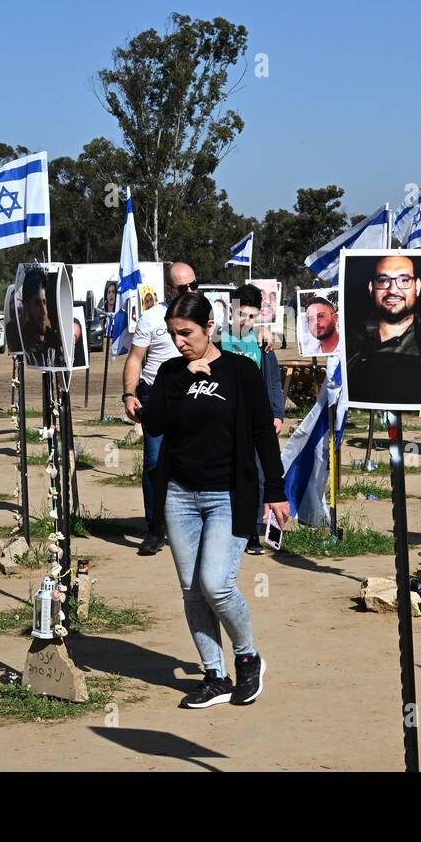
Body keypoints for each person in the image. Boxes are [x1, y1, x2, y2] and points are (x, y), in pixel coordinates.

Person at [138, 292, 288, 709]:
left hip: (229, 495)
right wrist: (186, 378)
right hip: (180, 496)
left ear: (209, 328)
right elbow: (154, 422)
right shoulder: (171, 373)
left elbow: (262, 434)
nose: (179, 341)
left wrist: (275, 491)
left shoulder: (241, 371)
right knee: (191, 591)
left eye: (186, 333)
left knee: (216, 585)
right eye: (172, 334)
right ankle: (214, 675)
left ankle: (247, 657)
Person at [123, 262, 199, 556]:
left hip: (194, 393)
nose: (191, 291)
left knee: (196, 459)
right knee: (155, 462)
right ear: (169, 289)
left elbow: (228, 341)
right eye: (184, 288)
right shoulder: (152, 318)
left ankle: (192, 527)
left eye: (194, 284)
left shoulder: (203, 312)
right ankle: (155, 530)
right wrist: (129, 394)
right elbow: (135, 358)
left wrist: (264, 337)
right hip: (156, 394)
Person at [219, 284, 285, 555]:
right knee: (227, 474)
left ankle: (252, 532)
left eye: (251, 316)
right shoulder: (217, 340)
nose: (245, 320)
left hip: (255, 419)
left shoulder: (262, 343)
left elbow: (273, 381)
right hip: (224, 418)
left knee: (257, 474)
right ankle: (225, 528)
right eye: (241, 314)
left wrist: (277, 413)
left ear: (259, 316)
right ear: (231, 311)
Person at [346, 254, 421, 405]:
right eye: (383, 281)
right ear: (371, 288)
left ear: (418, 287)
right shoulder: (347, 340)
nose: (393, 290)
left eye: (404, 280)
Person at [19, 266, 66, 369]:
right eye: (37, 303)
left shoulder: (55, 342)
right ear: (26, 306)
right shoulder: (24, 344)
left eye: (44, 302)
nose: (43, 311)